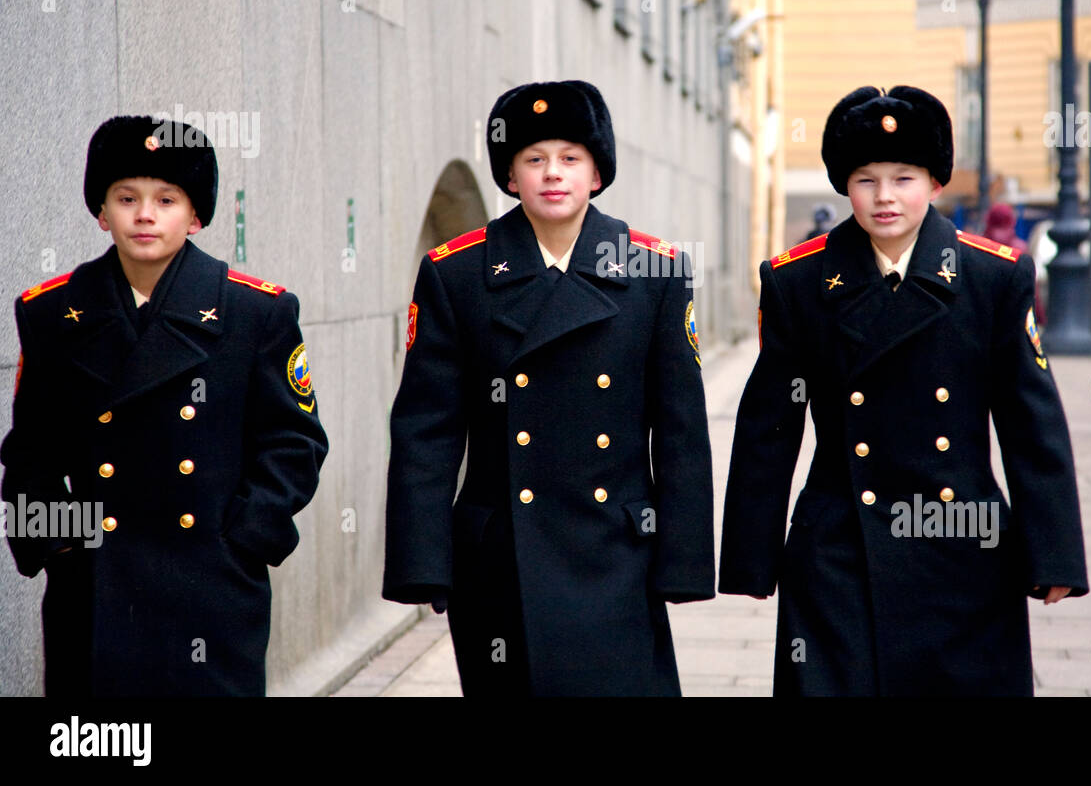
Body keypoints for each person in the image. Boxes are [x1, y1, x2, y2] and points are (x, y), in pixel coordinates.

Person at [718, 85, 1088, 696]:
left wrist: (1055, 556)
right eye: (865, 179)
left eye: (904, 177)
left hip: (963, 548)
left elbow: (1031, 423)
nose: (884, 197)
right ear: (844, 185)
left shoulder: (993, 277)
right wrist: (751, 559)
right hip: (838, 549)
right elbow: (768, 428)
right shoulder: (798, 281)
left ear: (936, 182)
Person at [383, 79, 715, 696]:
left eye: (570, 158)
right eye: (533, 160)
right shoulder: (456, 273)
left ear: (597, 172)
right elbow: (426, 429)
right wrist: (421, 562)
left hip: (616, 555)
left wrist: (685, 562)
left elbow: (681, 433)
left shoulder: (654, 271)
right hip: (503, 560)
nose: (552, 174)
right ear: (509, 176)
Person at [1, 115, 328, 696]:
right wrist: (61, 547)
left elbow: (294, 442)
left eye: (166, 198)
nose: (144, 214)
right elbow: (31, 454)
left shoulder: (254, 313)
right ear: (102, 212)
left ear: (195, 215)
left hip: (211, 585)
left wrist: (243, 540)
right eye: (126, 197)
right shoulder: (52, 313)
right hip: (95, 588)